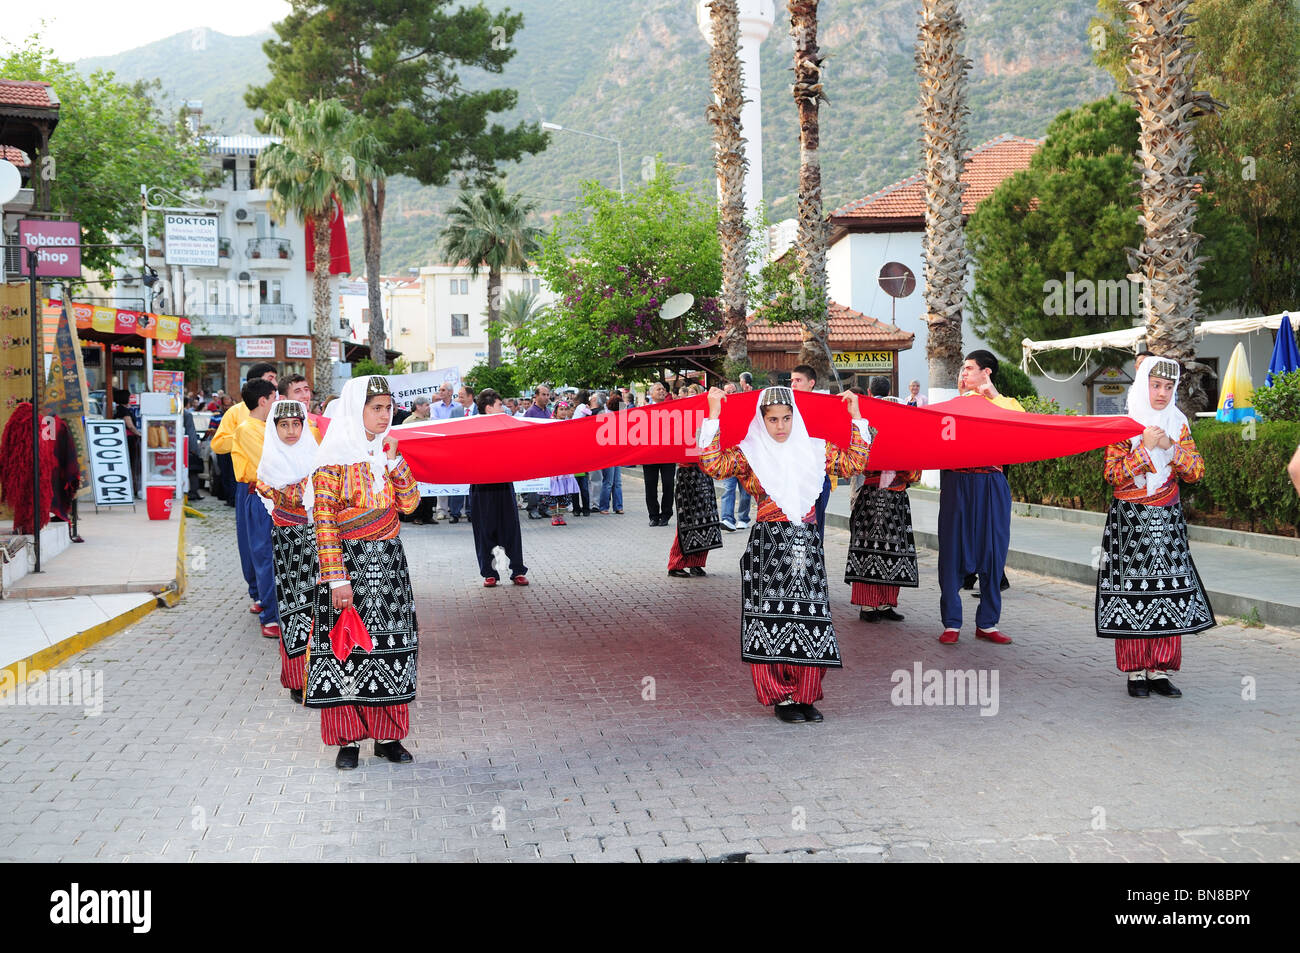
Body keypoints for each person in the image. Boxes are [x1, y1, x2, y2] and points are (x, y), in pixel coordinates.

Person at [699, 385, 873, 724]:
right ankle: (782, 698)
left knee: (812, 620)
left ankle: (806, 696)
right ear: (762, 421)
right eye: (773, 419)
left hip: (806, 546)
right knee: (772, 622)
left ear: (796, 418)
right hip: (768, 546)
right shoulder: (750, 453)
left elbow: (855, 462)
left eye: (787, 418)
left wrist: (856, 417)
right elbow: (712, 464)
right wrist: (714, 414)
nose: (780, 426)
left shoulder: (814, 449)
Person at [307, 375, 421, 770]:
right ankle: (348, 741)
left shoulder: (387, 455)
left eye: (388, 407)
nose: (385, 415)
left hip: (389, 567)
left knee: (392, 647)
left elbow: (410, 504)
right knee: (347, 652)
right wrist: (337, 579)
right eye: (377, 408)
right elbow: (324, 522)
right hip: (348, 568)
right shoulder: (331, 461)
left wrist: (393, 459)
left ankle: (389, 737)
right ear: (357, 411)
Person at [1096, 357, 1215, 698]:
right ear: (1143, 384)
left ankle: (1159, 671)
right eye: (1156, 385)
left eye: (1168, 386)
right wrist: (1144, 449)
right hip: (1129, 520)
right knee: (1131, 593)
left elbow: (1196, 472)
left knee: (1169, 592)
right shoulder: (1125, 424)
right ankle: (1135, 672)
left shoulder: (1177, 424)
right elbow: (1112, 475)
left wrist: (1169, 447)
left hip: (1168, 517)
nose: (1162, 393)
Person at [937, 350, 1024, 645]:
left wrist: (993, 397)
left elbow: (1021, 424)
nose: (964, 373)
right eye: (963, 369)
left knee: (993, 551)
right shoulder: (953, 406)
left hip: (992, 482)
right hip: (957, 482)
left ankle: (987, 623)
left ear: (986, 373)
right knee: (951, 551)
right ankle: (951, 623)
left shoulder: (1005, 404)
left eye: (970, 368)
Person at [255, 400, 320, 703]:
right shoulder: (270, 462)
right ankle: (297, 679)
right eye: (284, 425)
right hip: (289, 541)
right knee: (294, 608)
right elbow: (289, 497)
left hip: (322, 538)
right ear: (274, 427)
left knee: (322, 607)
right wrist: (309, 487)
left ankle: (322, 675)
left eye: (297, 424)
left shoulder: (317, 455)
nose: (292, 431)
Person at [845, 386, 921, 623]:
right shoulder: (867, 435)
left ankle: (887, 603)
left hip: (897, 500)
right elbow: (859, 466)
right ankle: (868, 606)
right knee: (868, 550)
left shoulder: (907, 439)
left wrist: (904, 462)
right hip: (870, 499)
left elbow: (915, 475)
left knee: (894, 551)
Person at [211, 363, 278, 612]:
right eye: (270, 378)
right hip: (250, 483)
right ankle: (258, 593)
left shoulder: (279, 410)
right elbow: (218, 444)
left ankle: (271, 596)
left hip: (276, 485)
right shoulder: (239, 414)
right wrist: (243, 438)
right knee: (253, 544)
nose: (274, 383)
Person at [230, 378, 281, 639]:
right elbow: (270, 462)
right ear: (264, 401)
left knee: (278, 557)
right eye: (275, 398)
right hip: (260, 497)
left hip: (278, 497)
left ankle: (276, 610)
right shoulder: (247, 429)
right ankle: (270, 616)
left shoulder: (265, 427)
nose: (277, 403)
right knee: (264, 557)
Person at [469, 388, 529, 587]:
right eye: (499, 405)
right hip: (481, 486)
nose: (503, 408)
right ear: (488, 408)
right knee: (485, 530)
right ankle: (489, 573)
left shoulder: (507, 426)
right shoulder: (470, 429)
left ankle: (518, 570)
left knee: (510, 528)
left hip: (504, 483)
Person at [790, 364, 832, 541]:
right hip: (792, 476)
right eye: (792, 381)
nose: (793, 384)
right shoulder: (786, 408)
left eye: (798, 380)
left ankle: (816, 565)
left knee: (816, 530)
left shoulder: (824, 407)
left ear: (811, 383)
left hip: (817, 476)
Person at [667, 461, 722, 578]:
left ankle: (696, 563)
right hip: (687, 474)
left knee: (706, 521)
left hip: (704, 473)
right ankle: (675, 565)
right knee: (686, 523)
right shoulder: (684, 442)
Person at [642, 382, 677, 526]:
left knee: (668, 483)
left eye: (663, 389)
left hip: (668, 453)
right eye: (658, 389)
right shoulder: (644, 410)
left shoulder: (673, 408)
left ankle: (666, 514)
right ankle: (653, 515)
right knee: (650, 485)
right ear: (651, 394)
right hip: (649, 453)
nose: (662, 391)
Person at [522, 386, 553, 519]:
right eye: (544, 395)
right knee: (535, 483)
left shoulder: (548, 412)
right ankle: (532, 508)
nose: (546, 397)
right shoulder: (530, 412)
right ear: (536, 396)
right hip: (534, 453)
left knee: (546, 482)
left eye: (548, 395)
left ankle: (544, 507)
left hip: (547, 452)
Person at [598, 394, 625, 514]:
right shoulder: (604, 414)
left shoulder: (613, 414)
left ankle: (617, 506)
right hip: (608, 452)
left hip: (616, 451)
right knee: (609, 481)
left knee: (615, 481)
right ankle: (605, 507)